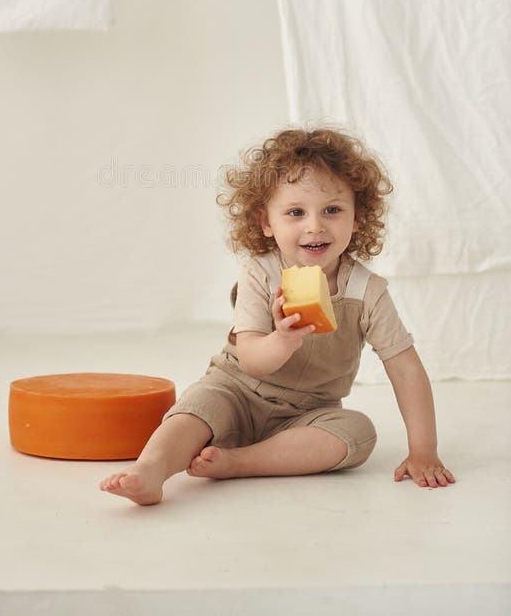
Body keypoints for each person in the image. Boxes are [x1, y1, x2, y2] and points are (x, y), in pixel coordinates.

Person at [99, 127, 455, 505]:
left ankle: (239, 462)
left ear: (357, 217)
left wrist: (423, 451)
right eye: (296, 212)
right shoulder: (261, 274)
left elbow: (405, 368)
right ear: (267, 222)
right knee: (196, 409)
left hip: (308, 413)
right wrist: (283, 339)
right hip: (237, 391)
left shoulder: (367, 291)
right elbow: (251, 360)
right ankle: (150, 470)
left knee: (357, 432)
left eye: (332, 210)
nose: (315, 225)